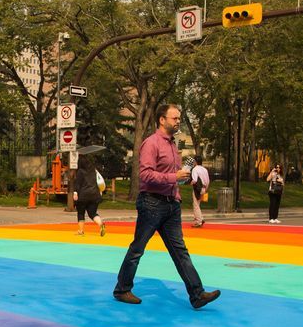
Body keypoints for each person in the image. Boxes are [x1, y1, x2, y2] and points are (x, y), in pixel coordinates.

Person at [113, 103, 221, 309]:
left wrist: (181, 180)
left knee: (180, 251)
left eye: (179, 118)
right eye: (175, 118)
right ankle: (121, 289)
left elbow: (171, 176)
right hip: (151, 203)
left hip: (172, 205)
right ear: (162, 120)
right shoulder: (151, 143)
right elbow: (145, 175)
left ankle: (197, 294)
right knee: (138, 248)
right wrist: (174, 176)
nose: (178, 121)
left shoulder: (173, 145)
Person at [72, 155, 106, 236]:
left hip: (83, 195)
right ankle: (101, 224)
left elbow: (78, 184)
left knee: (81, 213)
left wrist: (75, 192)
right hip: (95, 195)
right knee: (92, 213)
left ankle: (81, 231)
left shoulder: (80, 171)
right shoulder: (94, 171)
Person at [190, 156, 210, 228]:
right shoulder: (205, 169)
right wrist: (205, 189)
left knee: (196, 205)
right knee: (198, 204)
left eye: (194, 161)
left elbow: (195, 180)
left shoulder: (195, 169)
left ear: (195, 161)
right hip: (204, 188)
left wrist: (191, 183)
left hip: (197, 188)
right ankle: (200, 218)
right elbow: (208, 181)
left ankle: (199, 221)